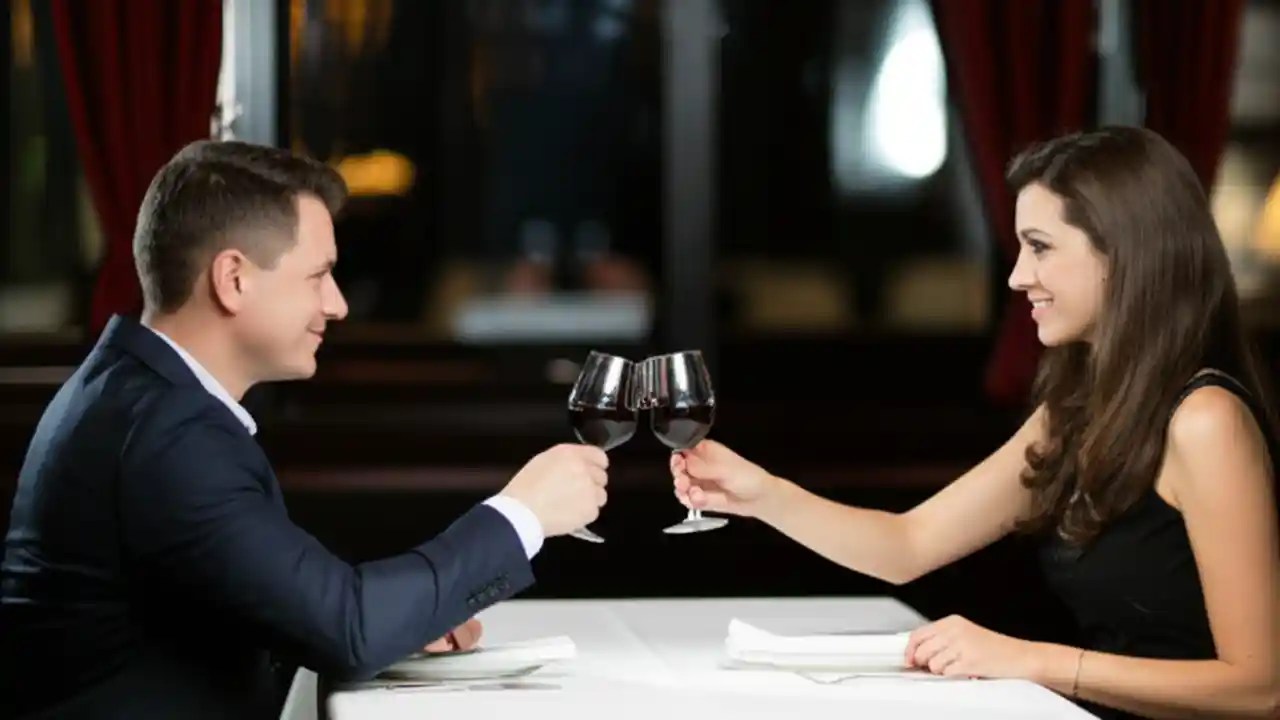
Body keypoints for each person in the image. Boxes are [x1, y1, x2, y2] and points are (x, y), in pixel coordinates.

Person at [670, 127, 1280, 720]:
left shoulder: (1206, 421)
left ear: (1122, 254)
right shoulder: (1080, 408)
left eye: (1039, 246)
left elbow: (1258, 689)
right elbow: (908, 545)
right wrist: (764, 496)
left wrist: (1029, 659)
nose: (1017, 276)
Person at [0, 140, 609, 719]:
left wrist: (403, 619)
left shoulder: (136, 394)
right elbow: (346, 624)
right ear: (233, 279)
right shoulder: (168, 433)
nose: (338, 304)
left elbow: (296, 606)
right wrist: (523, 513)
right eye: (319, 275)